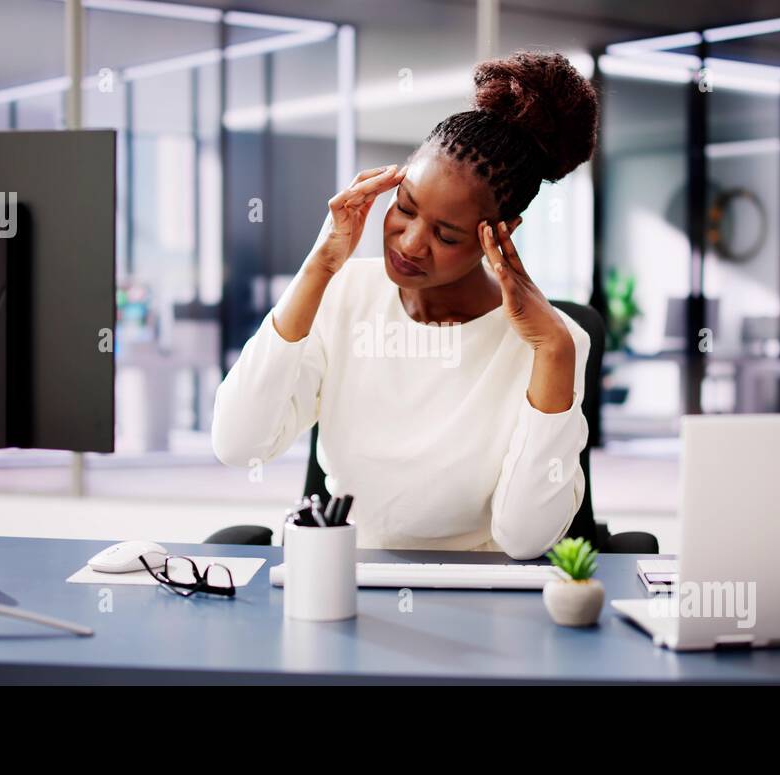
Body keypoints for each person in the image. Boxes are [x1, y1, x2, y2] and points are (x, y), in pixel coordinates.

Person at [212, 51, 598, 559]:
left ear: (501, 233)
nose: (411, 243)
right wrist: (319, 268)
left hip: (480, 590)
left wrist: (554, 352)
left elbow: (525, 539)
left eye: (445, 232)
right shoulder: (343, 294)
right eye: (406, 208)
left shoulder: (551, 342)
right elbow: (239, 445)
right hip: (346, 576)